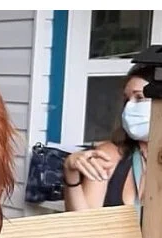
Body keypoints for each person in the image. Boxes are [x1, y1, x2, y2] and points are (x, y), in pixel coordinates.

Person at [64, 65, 152, 211]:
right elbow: (84, 220)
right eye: (127, 100)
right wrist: (70, 173)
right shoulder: (108, 155)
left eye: (139, 98)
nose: (129, 107)